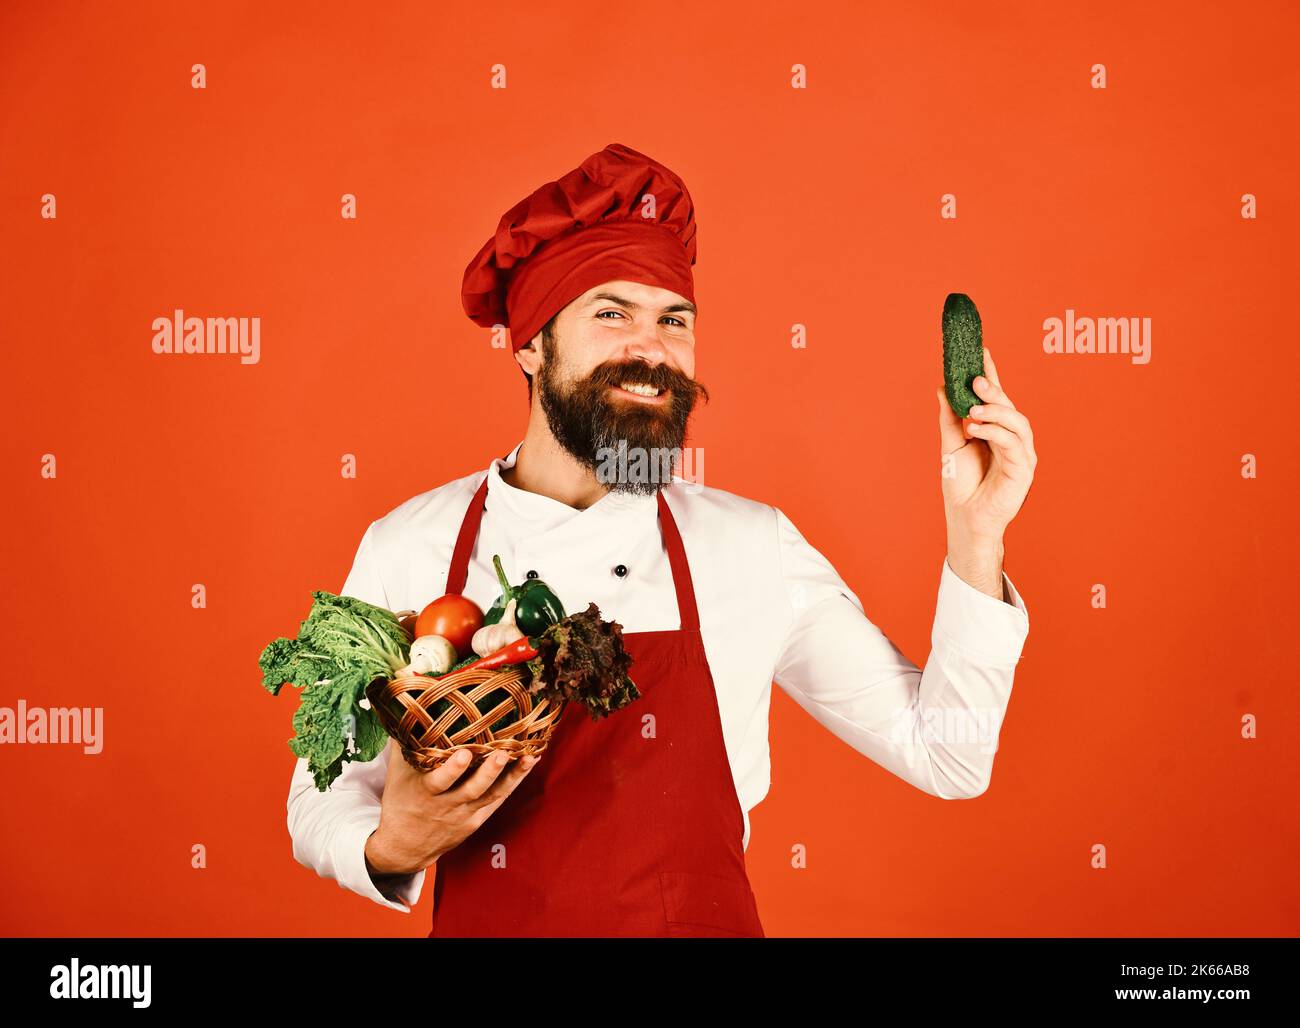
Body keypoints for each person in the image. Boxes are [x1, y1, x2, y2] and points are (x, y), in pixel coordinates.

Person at [285, 143, 1036, 938]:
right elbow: (319, 794)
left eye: (674, 320)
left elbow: (947, 756)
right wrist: (393, 845)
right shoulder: (412, 544)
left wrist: (976, 535)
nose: (651, 349)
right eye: (611, 313)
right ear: (531, 343)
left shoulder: (749, 546)